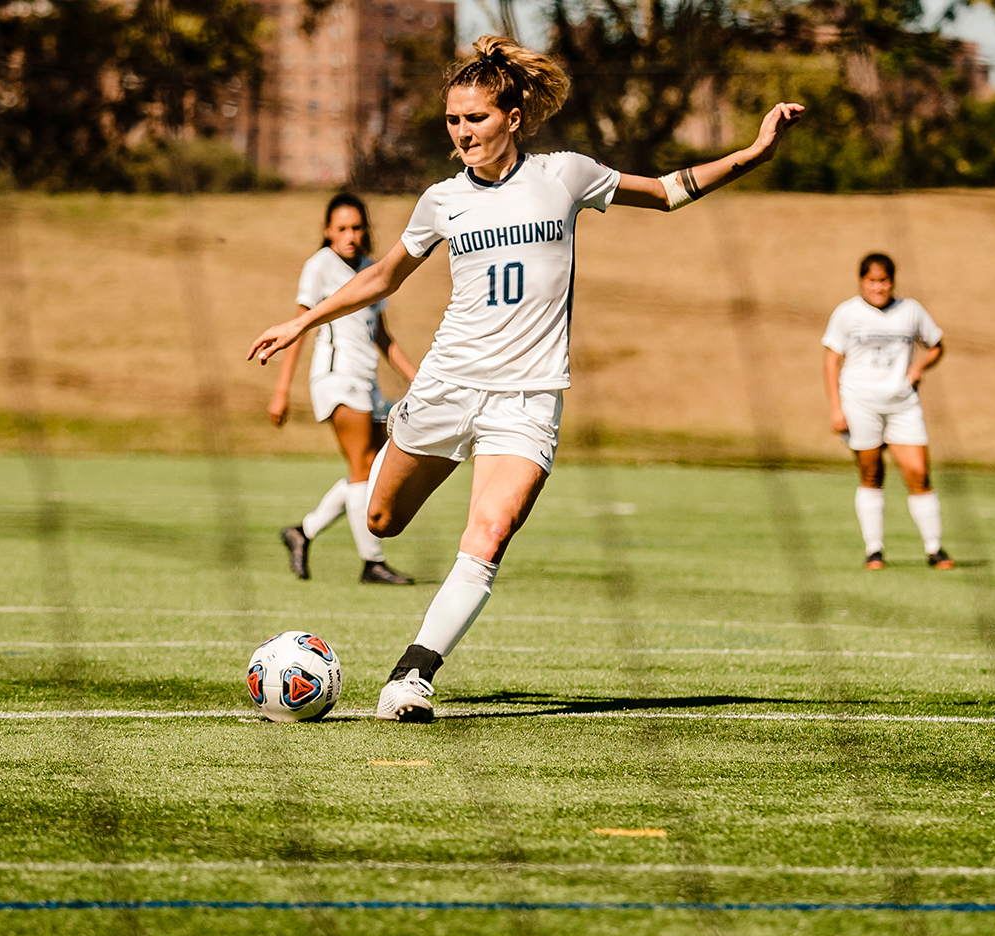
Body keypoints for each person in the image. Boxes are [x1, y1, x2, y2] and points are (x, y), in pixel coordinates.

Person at [246, 35, 804, 722]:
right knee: (381, 519)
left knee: (491, 529)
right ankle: (392, 479)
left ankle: (411, 676)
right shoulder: (441, 200)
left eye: (475, 118)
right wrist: (301, 323)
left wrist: (754, 153)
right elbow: (383, 275)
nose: (462, 132)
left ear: (513, 117)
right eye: (453, 120)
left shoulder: (564, 176)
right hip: (448, 384)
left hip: (527, 398)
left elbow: (665, 191)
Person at [268, 192, 419, 586]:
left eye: (356, 227)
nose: (350, 235)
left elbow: (382, 337)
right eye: (342, 228)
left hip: (366, 381)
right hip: (335, 377)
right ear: (327, 231)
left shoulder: (371, 268)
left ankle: (303, 531)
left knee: (367, 469)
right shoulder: (319, 266)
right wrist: (281, 390)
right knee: (362, 468)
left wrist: (417, 378)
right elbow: (298, 331)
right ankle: (373, 562)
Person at [822, 253, 950, 570]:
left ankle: (935, 549)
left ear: (892, 281)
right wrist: (836, 409)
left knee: (918, 473)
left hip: (902, 404)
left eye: (883, 281)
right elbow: (830, 361)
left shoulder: (910, 311)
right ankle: (874, 550)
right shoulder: (847, 313)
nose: (877, 288)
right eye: (871, 281)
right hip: (860, 403)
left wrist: (920, 367)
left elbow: (936, 344)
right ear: (861, 281)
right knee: (871, 473)